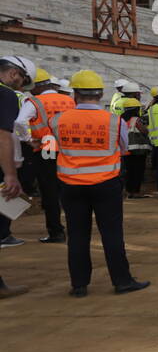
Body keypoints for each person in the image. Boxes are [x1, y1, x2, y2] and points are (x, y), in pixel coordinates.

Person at [50, 69, 149, 296]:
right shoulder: (114, 121)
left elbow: (59, 146)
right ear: (101, 93)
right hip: (106, 184)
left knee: (77, 235)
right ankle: (122, 281)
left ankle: (79, 285)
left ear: (75, 94)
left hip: (71, 185)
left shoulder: (58, 119)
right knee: (112, 233)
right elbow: (123, 149)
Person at [18, 67, 71, 243]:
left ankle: (56, 231)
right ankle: (76, 227)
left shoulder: (34, 101)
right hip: (69, 149)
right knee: (69, 187)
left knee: (50, 189)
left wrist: (28, 139)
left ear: (37, 86)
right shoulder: (69, 100)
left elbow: (19, 122)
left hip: (47, 146)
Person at [0, 55, 35, 293]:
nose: (21, 85)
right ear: (13, 73)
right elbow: (3, 136)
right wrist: (10, 175)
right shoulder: (6, 95)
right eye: (22, 79)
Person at [120, 98, 151, 197]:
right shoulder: (136, 119)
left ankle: (128, 191)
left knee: (128, 171)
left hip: (126, 149)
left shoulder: (121, 119)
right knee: (138, 171)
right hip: (138, 150)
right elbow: (145, 131)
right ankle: (135, 192)